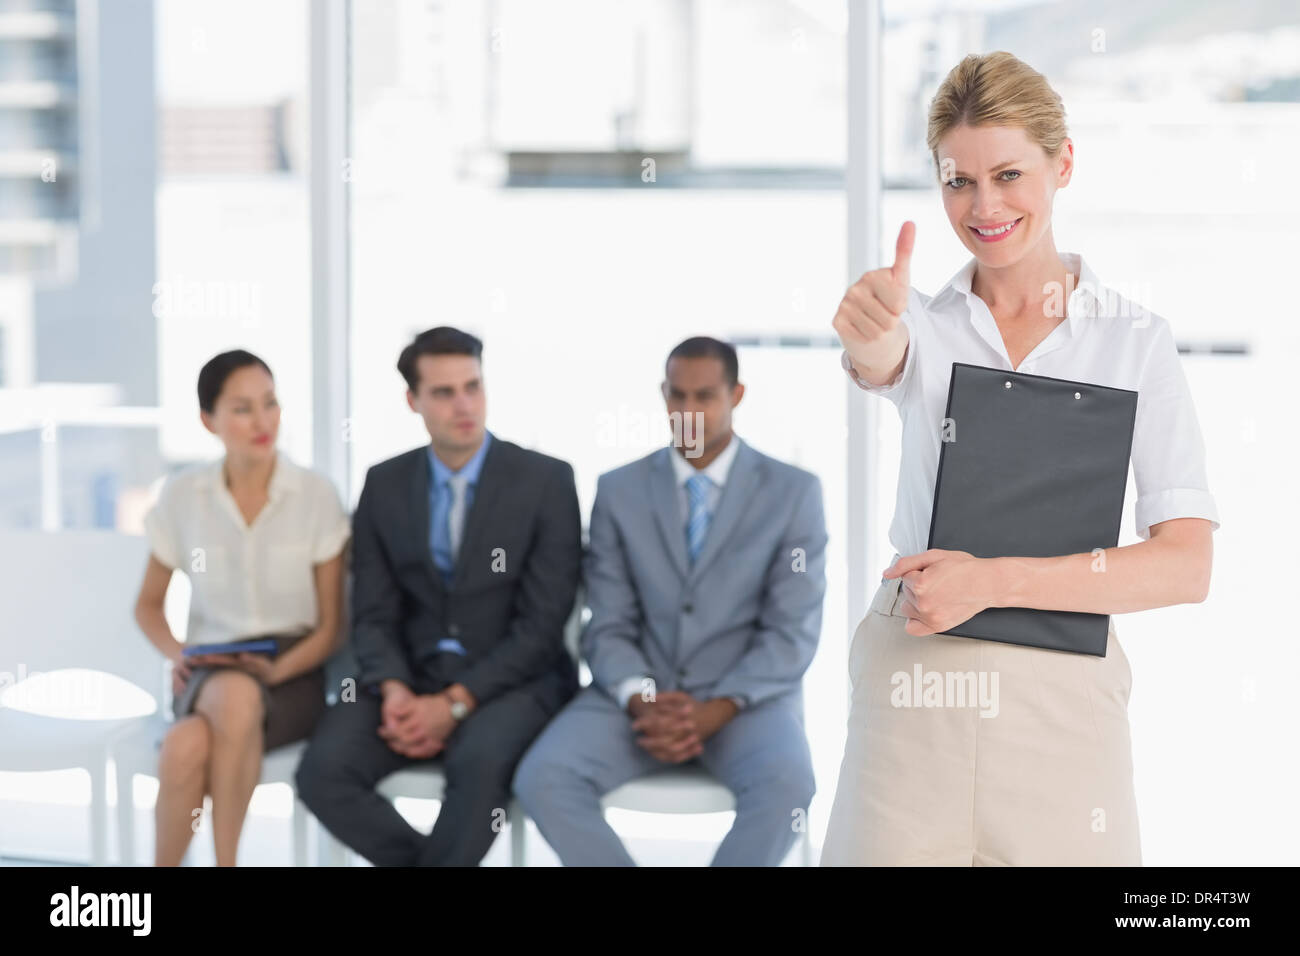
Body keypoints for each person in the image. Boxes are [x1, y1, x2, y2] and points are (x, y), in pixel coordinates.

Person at [822, 51, 1220, 866]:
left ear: (1062, 162)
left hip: (1064, 701)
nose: (984, 205)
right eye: (957, 181)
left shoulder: (1134, 342)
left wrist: (996, 578)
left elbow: (1186, 565)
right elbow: (884, 360)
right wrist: (869, 340)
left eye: (1007, 174)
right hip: (914, 685)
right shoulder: (923, 328)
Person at [514, 336, 827, 866]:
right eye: (676, 396)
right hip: (640, 698)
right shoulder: (619, 490)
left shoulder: (793, 492)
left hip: (746, 703)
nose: (688, 411)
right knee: (544, 777)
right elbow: (608, 621)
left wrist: (718, 708)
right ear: (663, 394)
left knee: (788, 786)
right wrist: (642, 697)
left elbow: (791, 632)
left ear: (737, 395)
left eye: (704, 397)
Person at [295, 326, 582, 866]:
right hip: (408, 677)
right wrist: (398, 691)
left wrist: (455, 705)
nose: (464, 404)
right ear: (413, 400)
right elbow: (374, 612)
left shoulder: (545, 482)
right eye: (444, 393)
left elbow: (542, 627)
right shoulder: (384, 484)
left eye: (473, 386)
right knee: (322, 770)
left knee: (479, 761)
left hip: (514, 683)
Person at [134, 349, 350, 866]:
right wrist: (181, 654)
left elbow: (331, 629)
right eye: (243, 408)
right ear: (209, 420)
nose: (263, 421)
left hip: (294, 671)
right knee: (209, 717)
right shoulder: (184, 495)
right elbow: (147, 606)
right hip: (210, 668)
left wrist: (274, 669)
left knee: (188, 742)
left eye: (270, 404)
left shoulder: (316, 495)